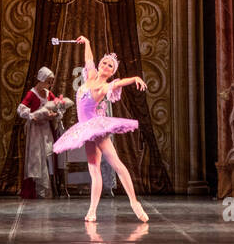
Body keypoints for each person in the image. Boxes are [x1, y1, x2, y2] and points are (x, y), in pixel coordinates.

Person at [52, 35, 148, 222]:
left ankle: (135, 203)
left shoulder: (104, 86)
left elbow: (119, 83)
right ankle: (92, 211)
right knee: (94, 169)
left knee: (117, 164)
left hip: (96, 127)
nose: (105, 66)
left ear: (112, 72)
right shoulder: (90, 76)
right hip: (86, 129)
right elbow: (89, 59)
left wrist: (134, 78)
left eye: (109, 66)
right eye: (104, 63)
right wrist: (87, 42)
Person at [17, 67, 73, 199]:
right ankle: (37, 189)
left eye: (51, 82)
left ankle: (48, 189)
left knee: (48, 154)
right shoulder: (32, 93)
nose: (50, 84)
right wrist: (32, 116)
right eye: (48, 81)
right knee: (37, 157)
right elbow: (21, 109)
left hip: (46, 129)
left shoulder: (48, 93)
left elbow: (57, 107)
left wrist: (55, 114)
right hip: (36, 130)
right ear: (41, 80)